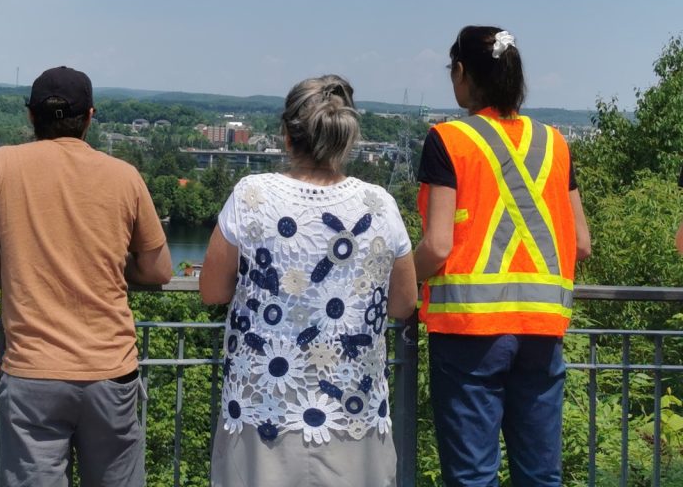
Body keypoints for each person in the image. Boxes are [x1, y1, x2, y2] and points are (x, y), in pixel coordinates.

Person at [0, 66, 171, 487]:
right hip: (110, 371)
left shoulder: (3, 164)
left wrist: (20, 256)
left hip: (32, 374)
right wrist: (115, 263)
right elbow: (158, 269)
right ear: (90, 116)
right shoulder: (124, 175)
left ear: (30, 116)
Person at [200, 75, 416, 486]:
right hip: (354, 412)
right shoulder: (380, 205)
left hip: (262, 410)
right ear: (346, 139)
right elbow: (404, 303)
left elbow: (212, 290)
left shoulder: (251, 196)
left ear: (286, 134)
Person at [415, 26, 592, 487]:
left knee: (473, 477)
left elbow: (437, 246)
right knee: (540, 475)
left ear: (461, 72)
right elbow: (582, 243)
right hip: (542, 330)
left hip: (469, 332)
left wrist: (399, 279)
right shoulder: (554, 142)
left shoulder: (448, 139)